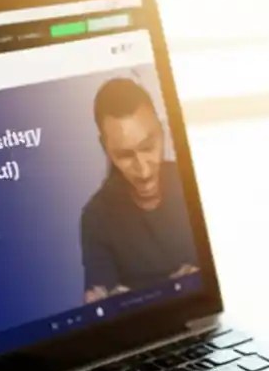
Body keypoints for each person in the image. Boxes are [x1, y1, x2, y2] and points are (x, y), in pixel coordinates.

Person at [81, 77, 199, 304]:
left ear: (162, 131)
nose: (144, 171)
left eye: (148, 147)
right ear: (105, 148)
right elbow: (100, 306)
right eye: (125, 156)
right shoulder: (95, 218)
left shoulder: (192, 182)